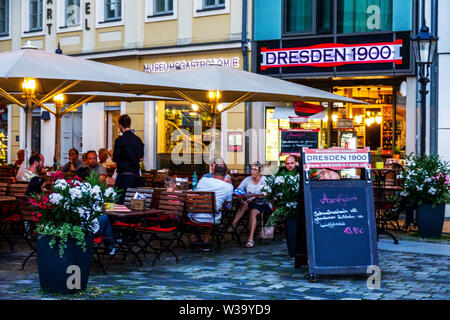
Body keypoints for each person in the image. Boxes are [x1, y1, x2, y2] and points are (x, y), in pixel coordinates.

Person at [229, 162, 269, 248]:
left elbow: (266, 194)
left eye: (255, 169)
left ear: (259, 171)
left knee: (253, 212)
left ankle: (250, 238)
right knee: (244, 204)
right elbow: (238, 190)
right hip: (249, 203)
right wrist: (242, 197)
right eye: (251, 169)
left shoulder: (264, 180)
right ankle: (233, 225)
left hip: (262, 204)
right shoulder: (247, 179)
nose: (252, 171)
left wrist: (253, 196)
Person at [192, 163, 234, 244]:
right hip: (212, 217)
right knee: (215, 211)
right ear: (226, 174)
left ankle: (198, 237)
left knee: (207, 210)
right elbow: (226, 203)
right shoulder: (229, 186)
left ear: (213, 172)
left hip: (194, 216)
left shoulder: (203, 180)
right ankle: (206, 240)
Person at [113, 114, 145, 204]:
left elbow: (115, 159)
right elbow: (141, 158)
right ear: (129, 124)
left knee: (120, 202)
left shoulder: (119, 140)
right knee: (133, 203)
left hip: (123, 176)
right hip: (135, 176)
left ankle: (121, 218)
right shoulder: (138, 140)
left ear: (120, 126)